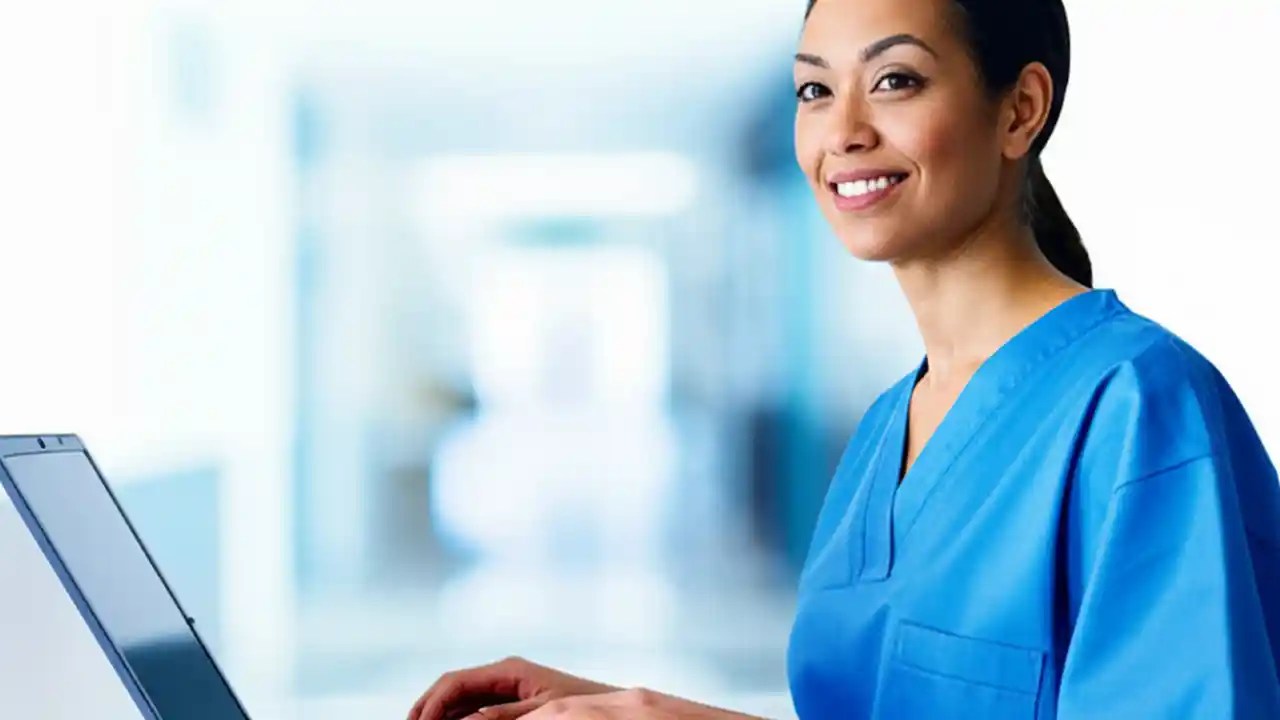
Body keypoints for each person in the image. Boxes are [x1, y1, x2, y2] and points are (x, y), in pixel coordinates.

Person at [407, 0, 1280, 716]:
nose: (844, 131)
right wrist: (623, 708)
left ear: (1020, 109)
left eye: (895, 81)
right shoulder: (887, 430)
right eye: (814, 91)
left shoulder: (1142, 407)